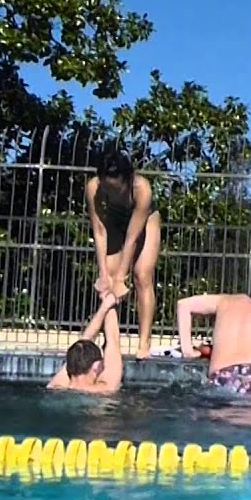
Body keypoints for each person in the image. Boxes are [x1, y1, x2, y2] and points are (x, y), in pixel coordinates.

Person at [85, 149, 162, 360]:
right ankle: (112, 341)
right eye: (107, 189)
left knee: (141, 275)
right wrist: (105, 274)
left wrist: (121, 278)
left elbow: (132, 239)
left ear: (127, 179)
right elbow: (99, 231)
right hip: (115, 220)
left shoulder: (142, 189)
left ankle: (144, 340)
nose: (111, 194)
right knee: (107, 279)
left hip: (145, 221)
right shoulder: (93, 187)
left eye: (116, 189)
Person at [47, 292, 125, 395]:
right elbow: (113, 341)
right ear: (96, 366)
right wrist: (110, 301)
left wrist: (105, 306)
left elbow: (85, 341)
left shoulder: (54, 386)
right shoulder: (104, 390)